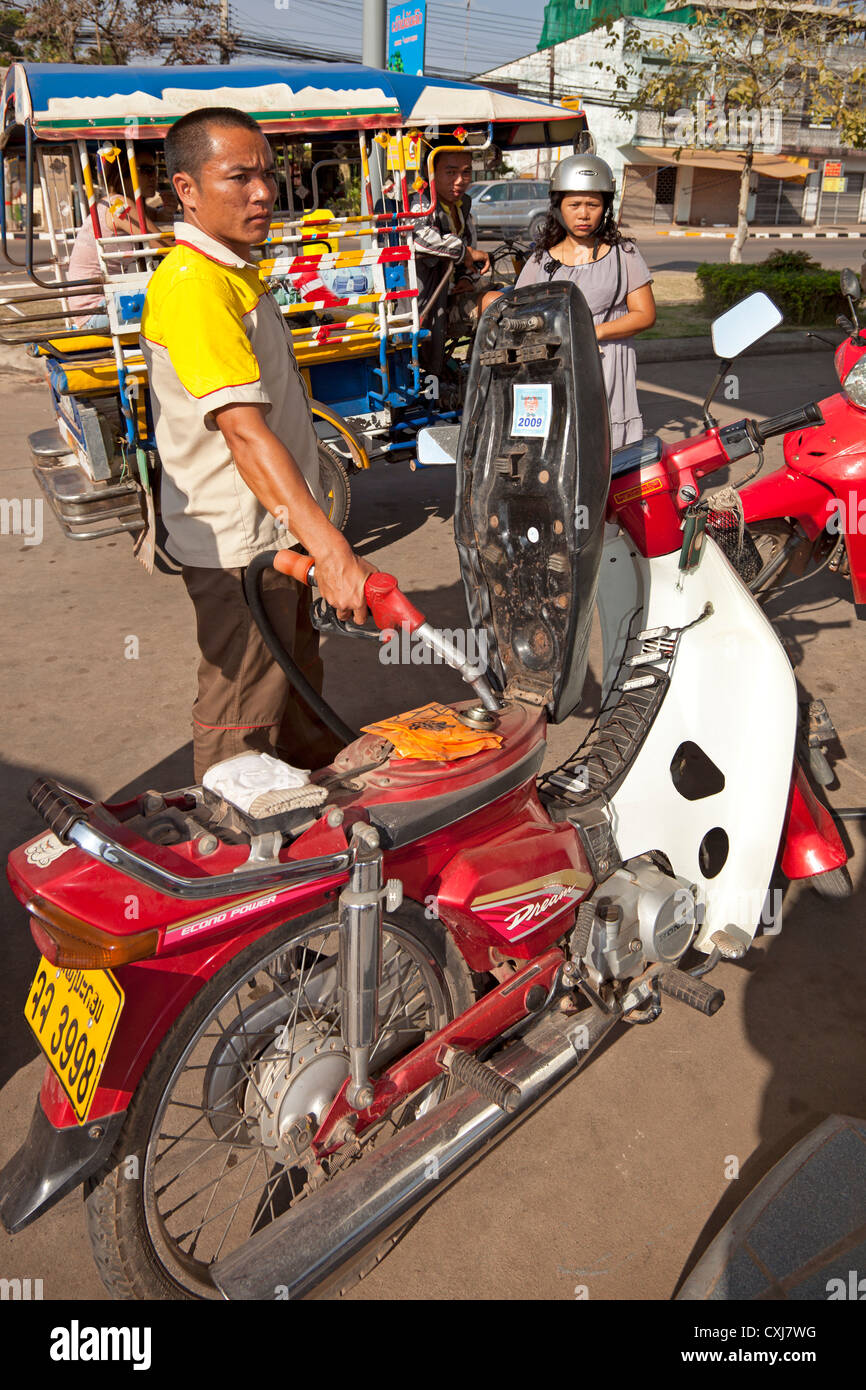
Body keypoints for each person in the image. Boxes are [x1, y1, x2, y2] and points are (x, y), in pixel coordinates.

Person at [140, 107, 372, 782]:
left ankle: (312, 783)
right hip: (238, 543)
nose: (263, 192)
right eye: (238, 177)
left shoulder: (234, 270)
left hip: (273, 534)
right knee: (242, 705)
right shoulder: (194, 287)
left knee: (293, 675)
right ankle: (232, 840)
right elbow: (244, 430)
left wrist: (311, 539)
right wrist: (332, 549)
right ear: (187, 190)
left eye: (267, 174)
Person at [491, 155, 656, 449]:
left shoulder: (624, 254)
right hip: (555, 369)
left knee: (608, 451)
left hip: (608, 366)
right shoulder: (540, 261)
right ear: (558, 208)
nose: (584, 214)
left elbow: (644, 314)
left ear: (605, 208)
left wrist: (596, 333)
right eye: (574, 205)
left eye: (593, 205)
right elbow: (522, 321)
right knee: (561, 450)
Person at [409, 147, 491, 377]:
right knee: (495, 306)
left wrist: (466, 276)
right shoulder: (421, 204)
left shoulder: (463, 207)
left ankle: (477, 372)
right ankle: (476, 376)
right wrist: (463, 252)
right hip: (427, 301)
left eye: (466, 172)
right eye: (450, 172)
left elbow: (472, 250)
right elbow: (418, 238)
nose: (460, 180)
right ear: (431, 172)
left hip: (453, 293)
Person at [67, 150, 168, 330]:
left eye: (155, 169)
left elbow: (158, 218)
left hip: (95, 307)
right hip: (99, 309)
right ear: (123, 173)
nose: (153, 176)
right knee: (183, 294)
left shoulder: (115, 203)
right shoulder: (120, 206)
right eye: (145, 170)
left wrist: (168, 210)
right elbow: (164, 247)